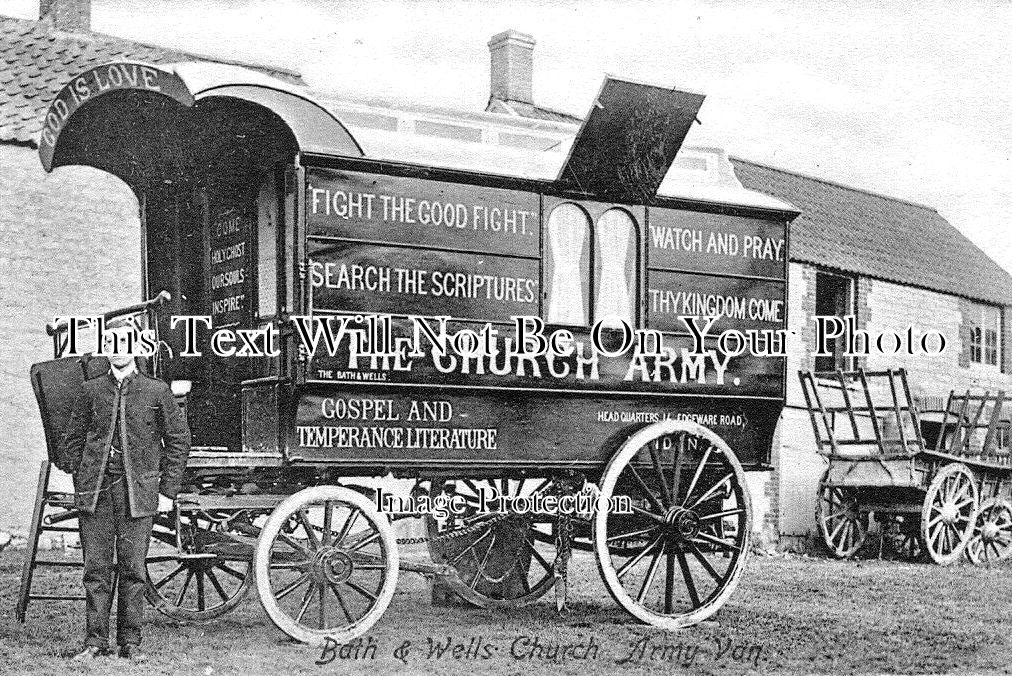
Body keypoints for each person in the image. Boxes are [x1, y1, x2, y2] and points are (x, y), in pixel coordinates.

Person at [56, 317, 191, 661]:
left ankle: (130, 644)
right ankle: (93, 643)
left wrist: (167, 491)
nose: (117, 348)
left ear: (136, 346)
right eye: (111, 341)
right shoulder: (90, 390)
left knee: (133, 569)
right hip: (97, 493)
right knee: (96, 570)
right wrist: (83, 475)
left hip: (139, 493)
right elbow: (71, 441)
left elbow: (177, 442)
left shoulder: (156, 390)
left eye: (124, 341)